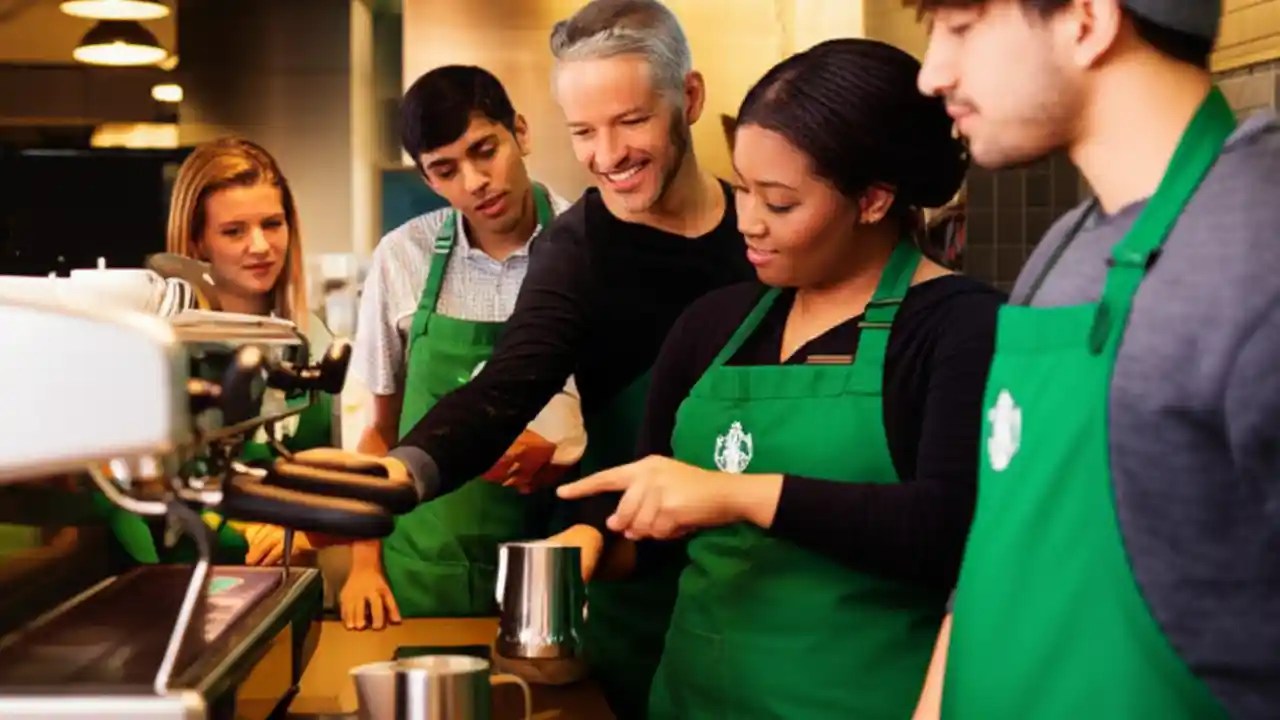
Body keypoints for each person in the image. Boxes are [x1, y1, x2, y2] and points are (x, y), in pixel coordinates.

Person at [302, 2, 754, 716]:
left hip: (754, 584)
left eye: (630, 121)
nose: (608, 155)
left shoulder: (761, 234)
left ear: (688, 99)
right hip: (618, 575)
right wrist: (395, 477)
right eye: (583, 132)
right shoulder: (574, 251)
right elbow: (505, 388)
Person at [557, 38, 1002, 719]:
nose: (749, 222)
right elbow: (657, 528)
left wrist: (738, 496)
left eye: (781, 202)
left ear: (874, 199)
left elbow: (948, 532)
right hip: (692, 703)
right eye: (744, 189)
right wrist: (594, 541)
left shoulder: (959, 328)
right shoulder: (714, 323)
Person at [908, 1, 1280, 718]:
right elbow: (1002, 548)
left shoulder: (1257, 252)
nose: (933, 73)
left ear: (1086, 19)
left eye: (960, 28)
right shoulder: (1063, 249)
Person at [340, 65, 585, 627]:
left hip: (551, 559)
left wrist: (562, 448)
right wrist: (363, 567)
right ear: (428, 181)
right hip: (424, 569)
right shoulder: (402, 256)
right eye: (446, 170)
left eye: (485, 150)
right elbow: (381, 429)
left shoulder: (587, 242)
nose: (475, 181)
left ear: (520, 133)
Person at [105, 136, 337, 567]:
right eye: (234, 231)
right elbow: (134, 501)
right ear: (196, 244)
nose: (261, 246)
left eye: (272, 224)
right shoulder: (155, 348)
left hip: (281, 580)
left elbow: (332, 483)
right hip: (172, 581)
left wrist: (308, 531)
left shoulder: (312, 341)